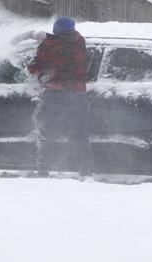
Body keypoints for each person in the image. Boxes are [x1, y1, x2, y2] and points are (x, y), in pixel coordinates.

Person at [27, 17, 93, 178]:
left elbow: (34, 68)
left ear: (56, 29)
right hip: (78, 95)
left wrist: (29, 64)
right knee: (80, 135)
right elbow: (64, 45)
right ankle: (86, 171)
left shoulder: (48, 45)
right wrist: (47, 38)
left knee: (46, 135)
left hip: (55, 96)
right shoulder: (80, 42)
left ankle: (43, 171)